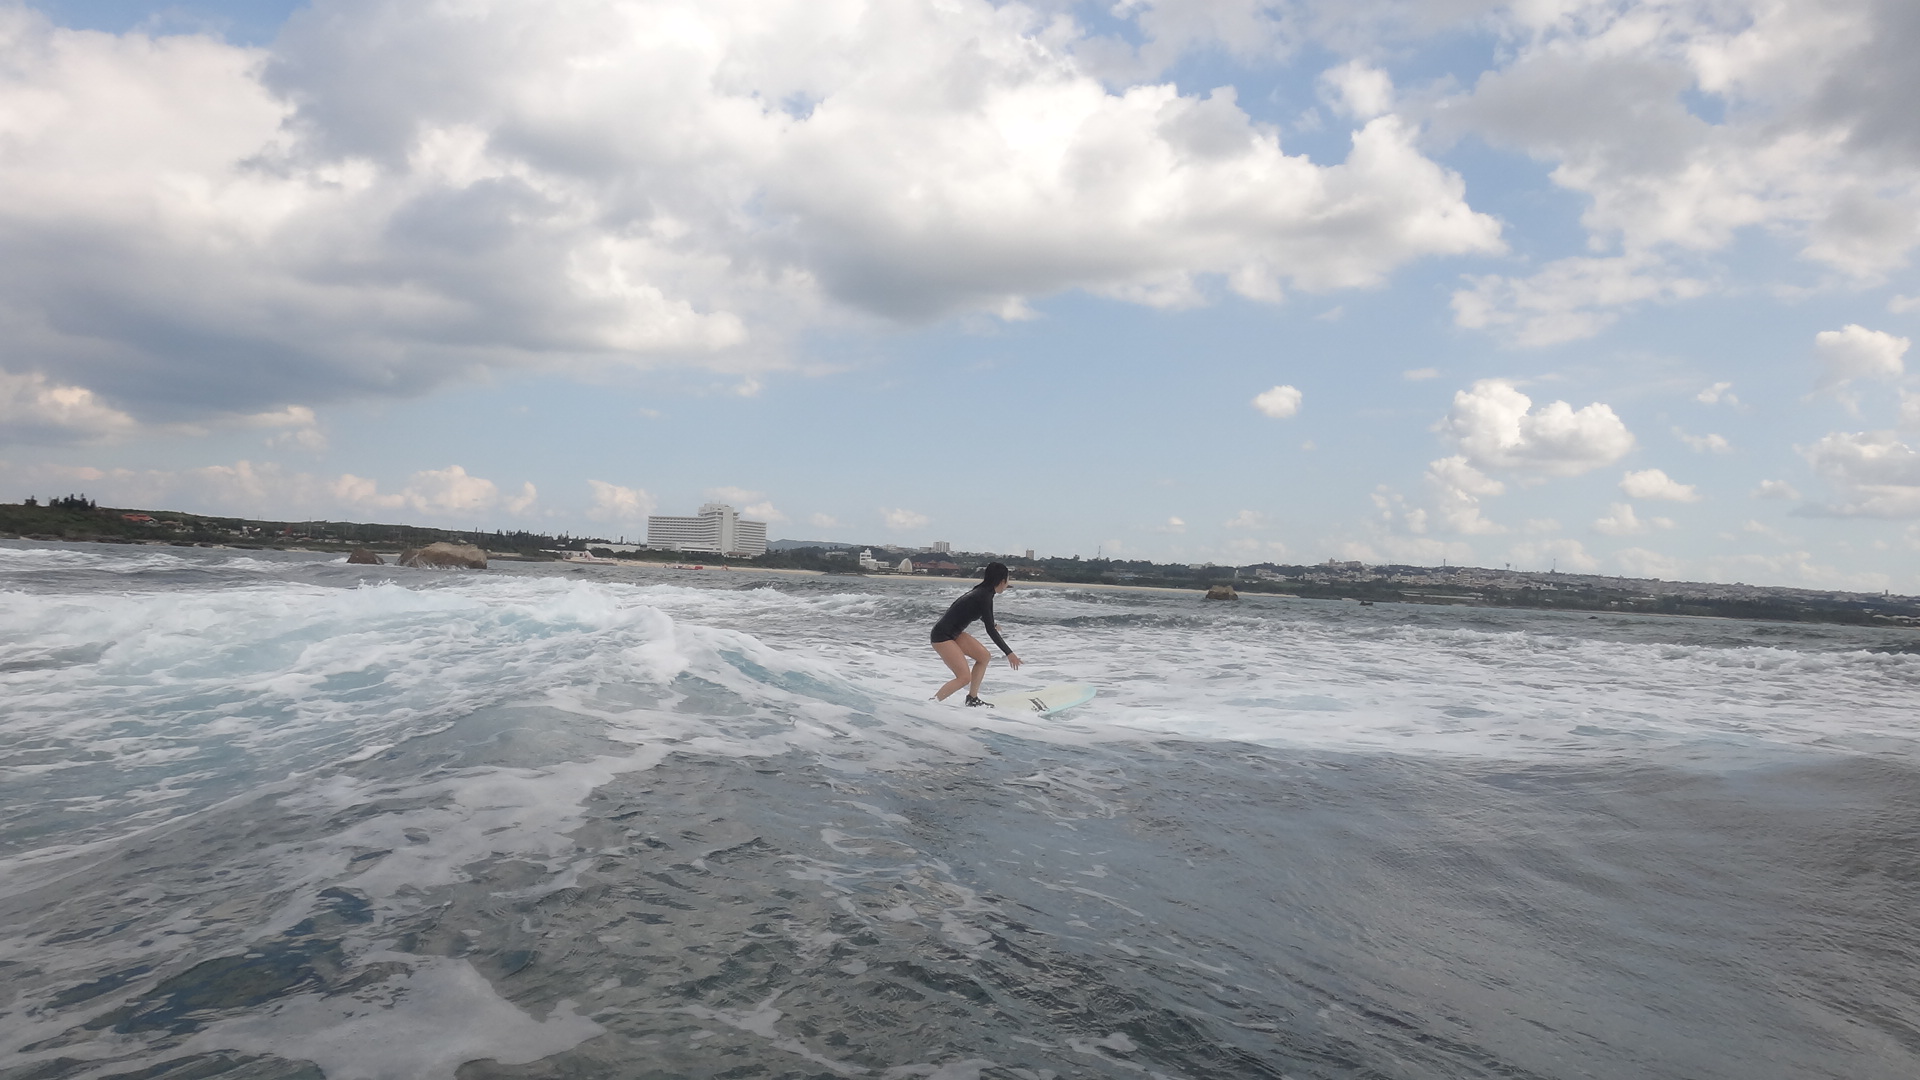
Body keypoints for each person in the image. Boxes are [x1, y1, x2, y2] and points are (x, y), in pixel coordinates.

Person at [930, 562, 1022, 705]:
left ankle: (972, 699)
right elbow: (990, 630)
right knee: (964, 678)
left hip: (954, 632)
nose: (1007, 583)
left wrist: (993, 624)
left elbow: (977, 612)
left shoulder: (983, 591)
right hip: (942, 636)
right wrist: (1009, 653)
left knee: (983, 656)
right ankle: (931, 704)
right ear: (1002, 581)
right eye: (1007, 580)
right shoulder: (984, 596)